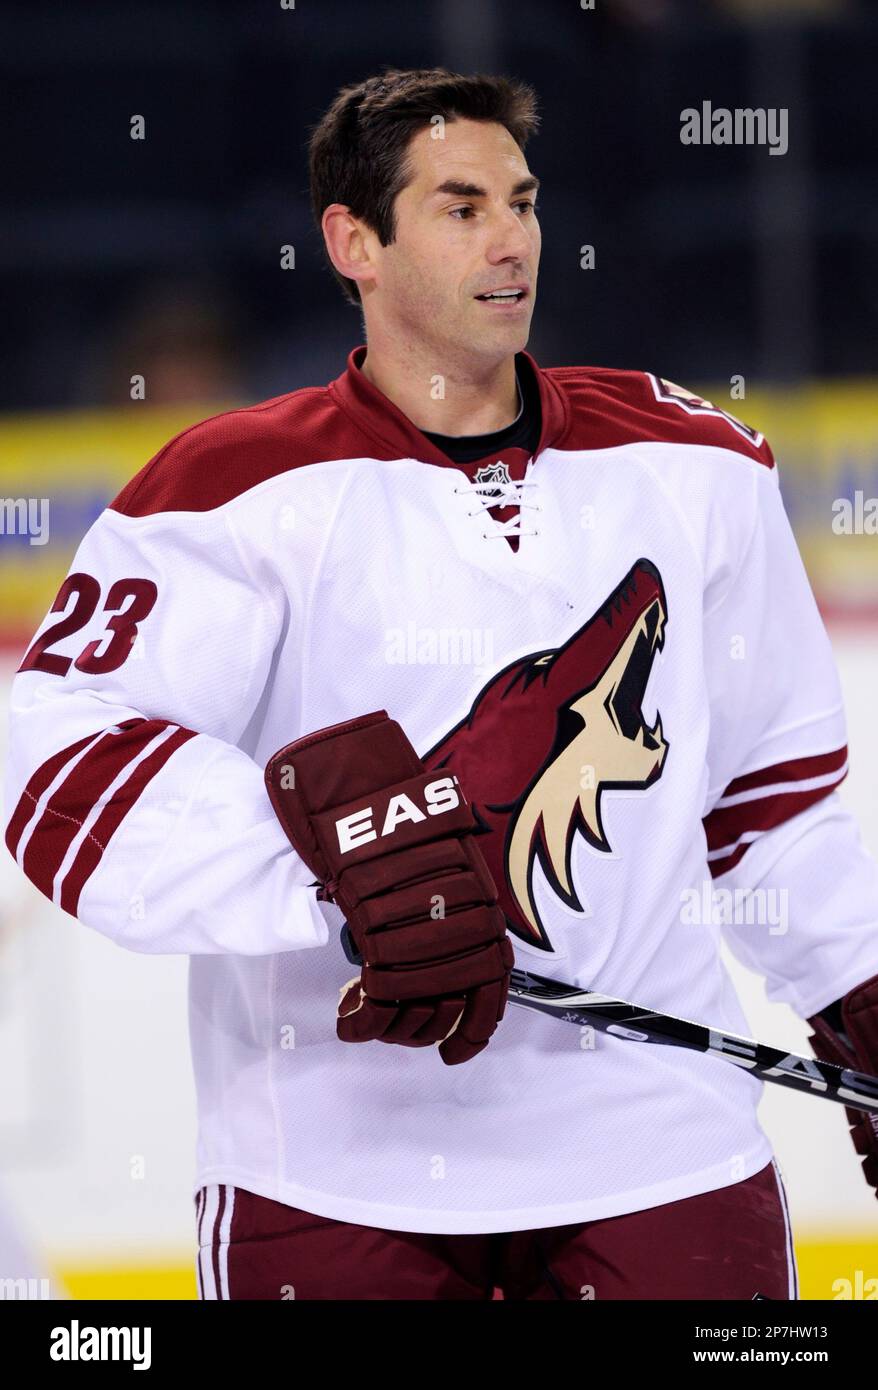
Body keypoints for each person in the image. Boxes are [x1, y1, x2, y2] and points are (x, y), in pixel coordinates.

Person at [5, 68, 877, 1301]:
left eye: (520, 201)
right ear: (352, 242)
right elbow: (55, 752)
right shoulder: (226, 491)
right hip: (330, 1166)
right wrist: (331, 862)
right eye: (460, 206)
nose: (511, 238)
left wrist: (857, 988)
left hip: (661, 1152)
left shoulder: (697, 468)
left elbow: (766, 806)